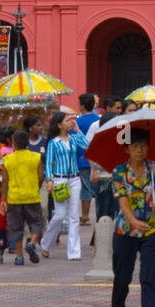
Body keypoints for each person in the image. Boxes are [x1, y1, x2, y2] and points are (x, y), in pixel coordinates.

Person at [111, 128, 155, 307]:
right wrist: (133, 220)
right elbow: (122, 198)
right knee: (122, 277)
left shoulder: (154, 169)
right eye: (135, 147)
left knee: (149, 277)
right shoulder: (119, 172)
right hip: (126, 229)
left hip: (151, 228)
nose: (140, 150)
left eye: (143, 146)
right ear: (127, 149)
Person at [40, 111, 90, 260]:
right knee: (60, 215)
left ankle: (74, 252)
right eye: (68, 120)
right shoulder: (53, 143)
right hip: (60, 180)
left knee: (74, 216)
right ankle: (46, 243)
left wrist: (78, 131)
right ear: (59, 124)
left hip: (75, 179)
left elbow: (87, 146)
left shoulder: (74, 139)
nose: (71, 122)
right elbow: (49, 163)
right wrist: (49, 180)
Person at [1, 129, 45, 265]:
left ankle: (19, 256)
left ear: (14, 143)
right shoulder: (36, 157)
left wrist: (3, 200)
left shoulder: (7, 160)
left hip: (14, 198)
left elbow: (4, 182)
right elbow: (41, 177)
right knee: (37, 222)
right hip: (32, 196)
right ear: (27, 143)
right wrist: (35, 187)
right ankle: (32, 243)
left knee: (16, 227)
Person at [75, 93, 97, 225]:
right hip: (95, 159)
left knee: (85, 188)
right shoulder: (98, 119)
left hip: (82, 159)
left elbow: (75, 140)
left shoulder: (78, 122)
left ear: (82, 105)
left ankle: (85, 215)